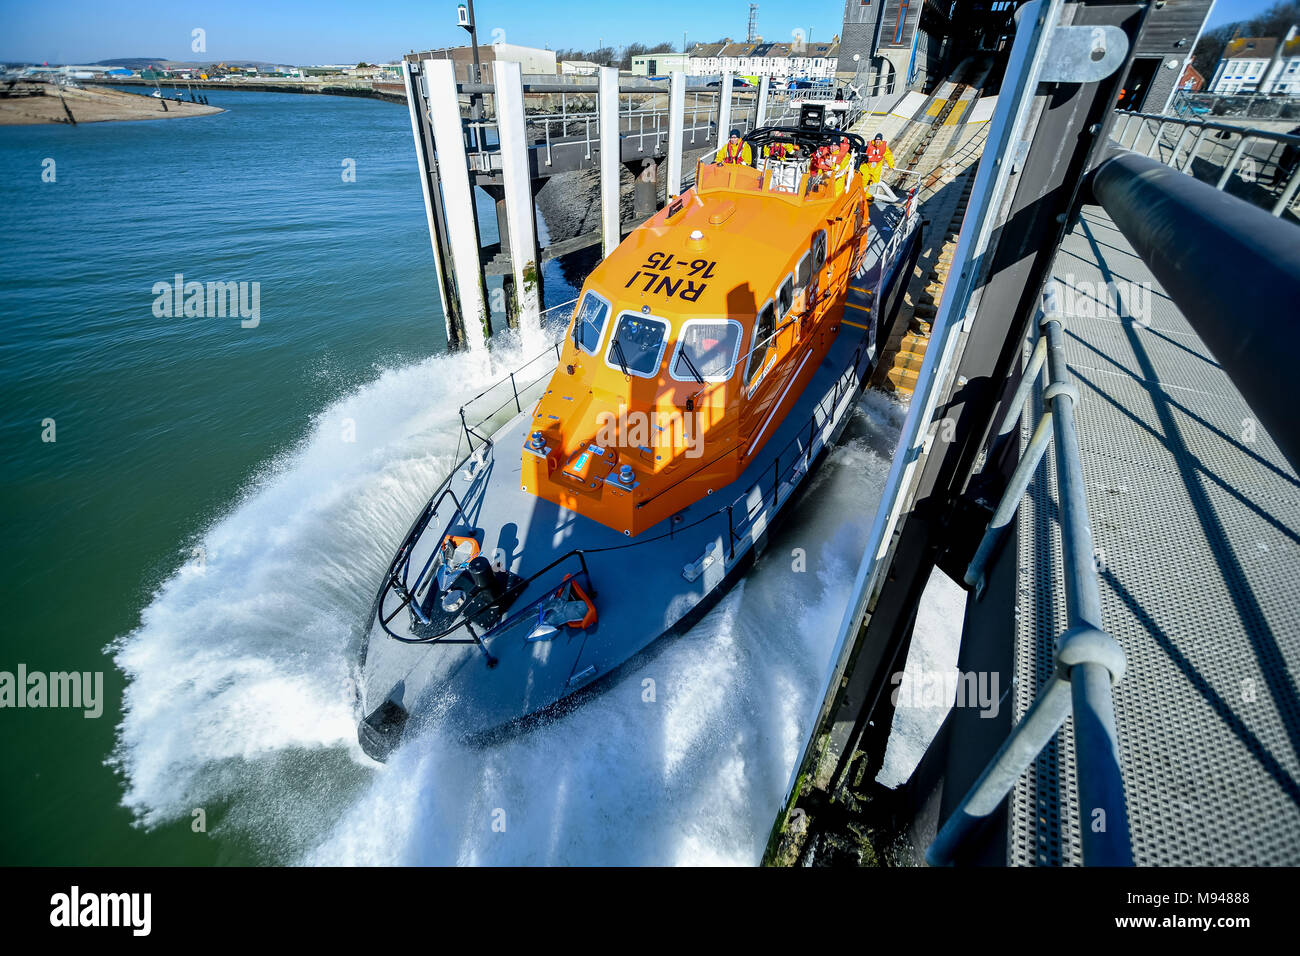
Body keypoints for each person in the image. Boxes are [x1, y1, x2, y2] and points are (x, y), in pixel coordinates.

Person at [859, 132, 895, 199]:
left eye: (879, 140)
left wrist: (891, 165)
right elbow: (862, 153)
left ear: (881, 140)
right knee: (864, 179)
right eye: (876, 139)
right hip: (867, 165)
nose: (877, 141)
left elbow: (888, 156)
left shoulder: (884, 148)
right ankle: (859, 194)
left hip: (877, 167)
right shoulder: (869, 146)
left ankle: (868, 197)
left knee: (874, 182)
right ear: (874, 140)